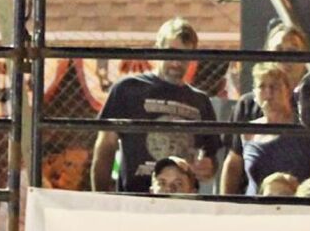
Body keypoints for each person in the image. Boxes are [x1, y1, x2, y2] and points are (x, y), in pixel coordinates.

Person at [90, 17, 221, 193]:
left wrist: (208, 167)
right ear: (158, 48)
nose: (176, 63)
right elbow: (106, 146)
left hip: (182, 201)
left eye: (184, 56)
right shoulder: (128, 89)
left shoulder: (201, 101)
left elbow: (211, 156)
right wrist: (100, 198)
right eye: (171, 53)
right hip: (136, 198)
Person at [221, 62, 310, 195]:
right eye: (262, 86)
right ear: (255, 94)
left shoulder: (308, 131)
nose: (268, 92)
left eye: (275, 86)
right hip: (255, 208)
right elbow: (232, 169)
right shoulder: (247, 131)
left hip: (296, 209)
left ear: (288, 91)